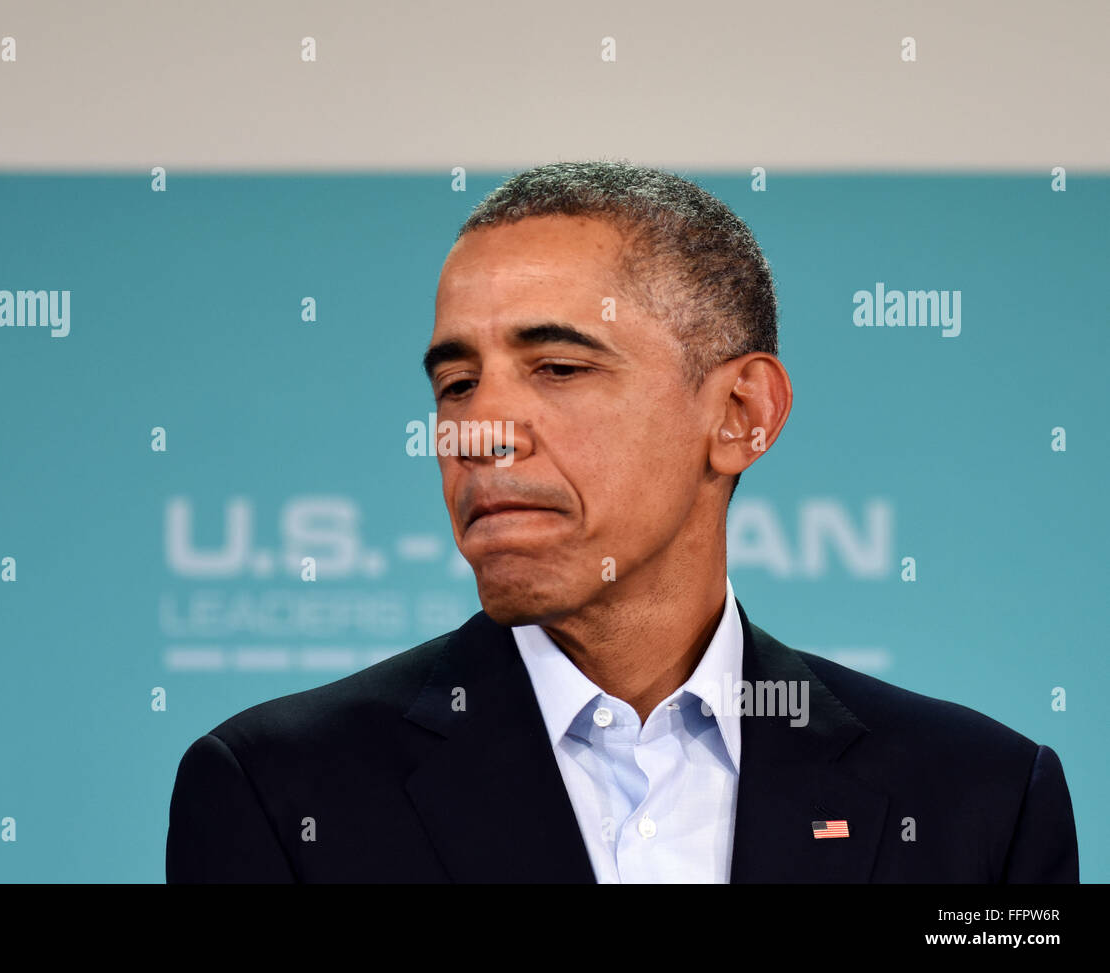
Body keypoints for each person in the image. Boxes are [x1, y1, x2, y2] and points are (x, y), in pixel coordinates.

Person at [165, 161, 1078, 882]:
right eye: (455, 384)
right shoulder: (276, 797)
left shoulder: (981, 800)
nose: (481, 430)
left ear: (740, 414)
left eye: (559, 368)